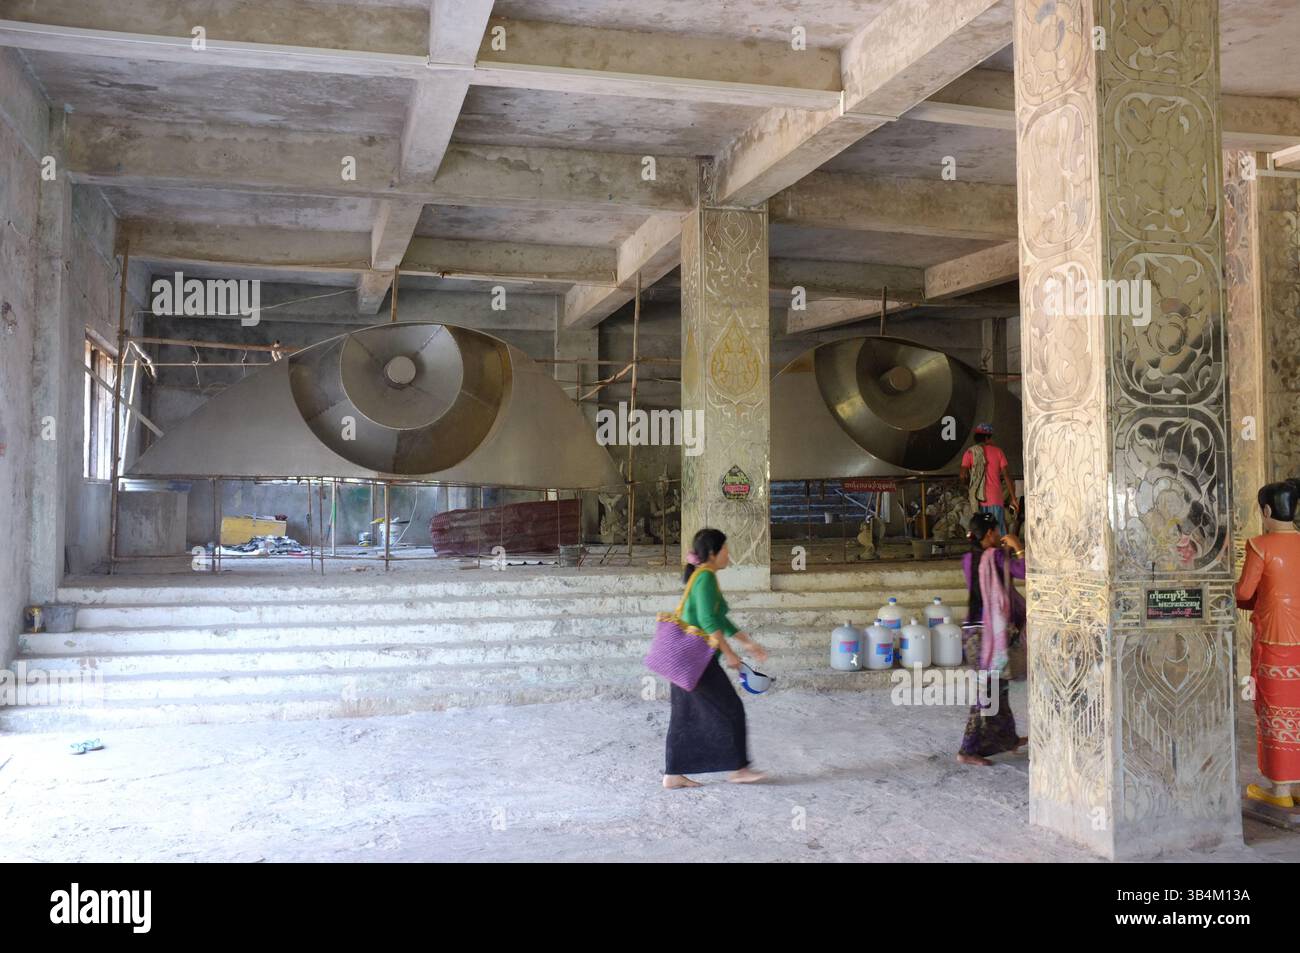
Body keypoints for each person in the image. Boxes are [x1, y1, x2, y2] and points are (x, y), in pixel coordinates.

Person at [663, 528, 769, 789]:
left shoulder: (703, 577)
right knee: (731, 707)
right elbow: (710, 621)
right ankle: (739, 769)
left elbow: (719, 618)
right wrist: (731, 654)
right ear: (712, 553)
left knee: (684, 715)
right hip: (696, 660)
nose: (729, 556)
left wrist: (747, 642)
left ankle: (673, 775)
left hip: (685, 659)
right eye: (725, 551)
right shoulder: (706, 578)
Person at [1234, 479, 1300, 809]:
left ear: (1267, 510)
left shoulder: (1260, 545)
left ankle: (1281, 792)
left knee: (1275, 713)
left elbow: (1245, 592)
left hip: (1275, 639)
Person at [957, 511, 1028, 766]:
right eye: (996, 532)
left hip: (973, 633)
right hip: (988, 634)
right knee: (987, 691)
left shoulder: (969, 558)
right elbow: (1026, 571)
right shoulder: (996, 557)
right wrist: (1017, 546)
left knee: (999, 687)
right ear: (989, 534)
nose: (999, 536)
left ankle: (1006, 738)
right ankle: (967, 749)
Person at [960, 423, 1017, 534]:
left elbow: (963, 475)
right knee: (997, 531)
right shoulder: (998, 451)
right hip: (995, 498)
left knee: (981, 532)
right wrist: (1013, 498)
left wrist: (969, 486)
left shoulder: (970, 452)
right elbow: (1006, 475)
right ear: (987, 437)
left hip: (977, 500)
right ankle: (998, 551)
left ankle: (985, 551)